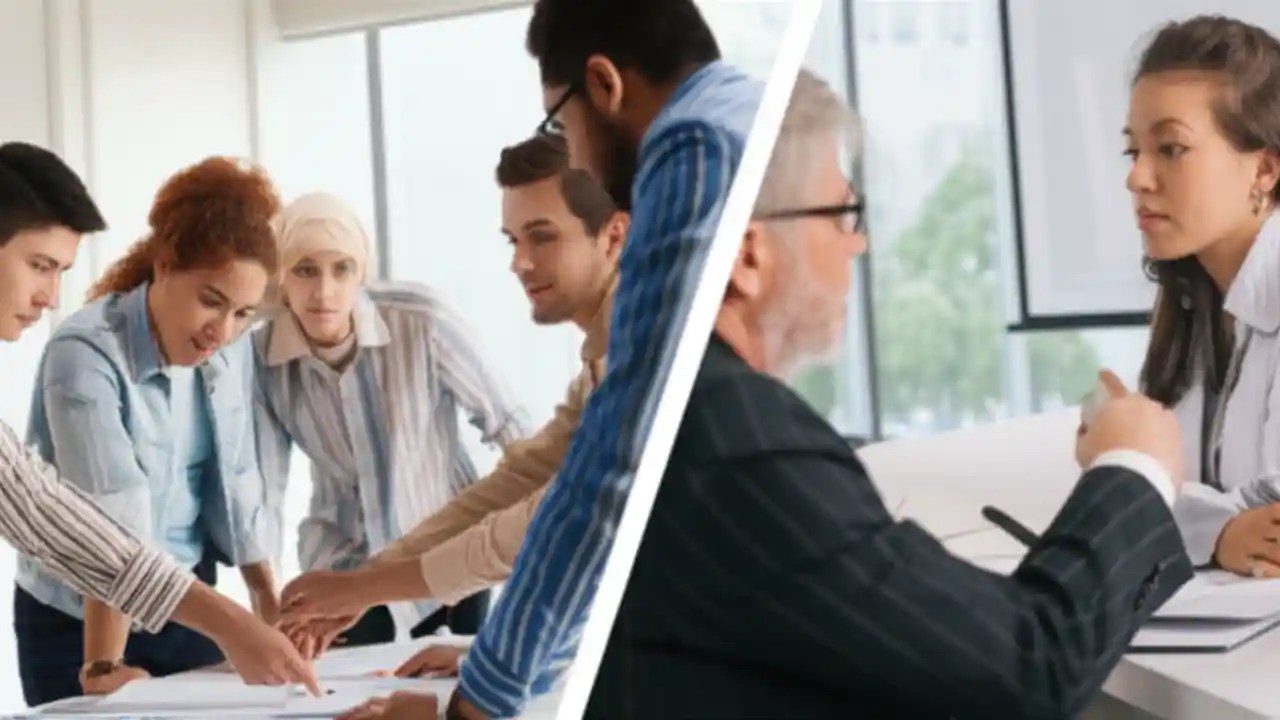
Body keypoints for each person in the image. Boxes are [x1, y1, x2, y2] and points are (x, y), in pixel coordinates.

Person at [584, 68, 1194, 720]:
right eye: (842, 213)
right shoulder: (733, 432)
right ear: (748, 255)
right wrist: (1134, 466)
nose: (859, 242)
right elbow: (1030, 665)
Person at [431, 1, 764, 717]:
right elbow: (554, 473)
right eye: (512, 240)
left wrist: (479, 698)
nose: (574, 160)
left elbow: (611, 468)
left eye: (559, 124)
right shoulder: (742, 109)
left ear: (605, 83)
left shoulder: (693, 147)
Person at [278, 135, 625, 678]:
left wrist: (369, 586)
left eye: (542, 237)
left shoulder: (639, 355)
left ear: (614, 237)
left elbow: (553, 516)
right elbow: (523, 475)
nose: (520, 263)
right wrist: (367, 585)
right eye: (513, 240)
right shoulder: (600, 361)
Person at [0, 143, 317, 701]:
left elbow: (236, 483)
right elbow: (68, 514)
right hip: (80, 615)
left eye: (60, 272)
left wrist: (267, 611)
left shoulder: (225, 351)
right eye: (40, 266)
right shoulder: (85, 352)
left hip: (174, 599)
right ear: (164, 266)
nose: (50, 297)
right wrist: (105, 664)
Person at [251, 191, 528, 648]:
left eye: (342, 269)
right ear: (281, 276)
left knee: (453, 685)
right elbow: (263, 489)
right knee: (353, 687)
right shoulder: (261, 359)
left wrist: (538, 538)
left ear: (361, 271)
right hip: (343, 564)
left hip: (446, 557)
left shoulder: (421, 318)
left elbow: (509, 424)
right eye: (305, 270)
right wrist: (265, 602)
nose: (324, 291)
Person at [1126, 16, 1280, 578]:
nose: (1137, 178)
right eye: (1133, 151)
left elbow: (1272, 527)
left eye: (1171, 148)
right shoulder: (1193, 301)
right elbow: (1143, 498)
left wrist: (1126, 470)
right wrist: (1220, 530)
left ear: (1264, 169)